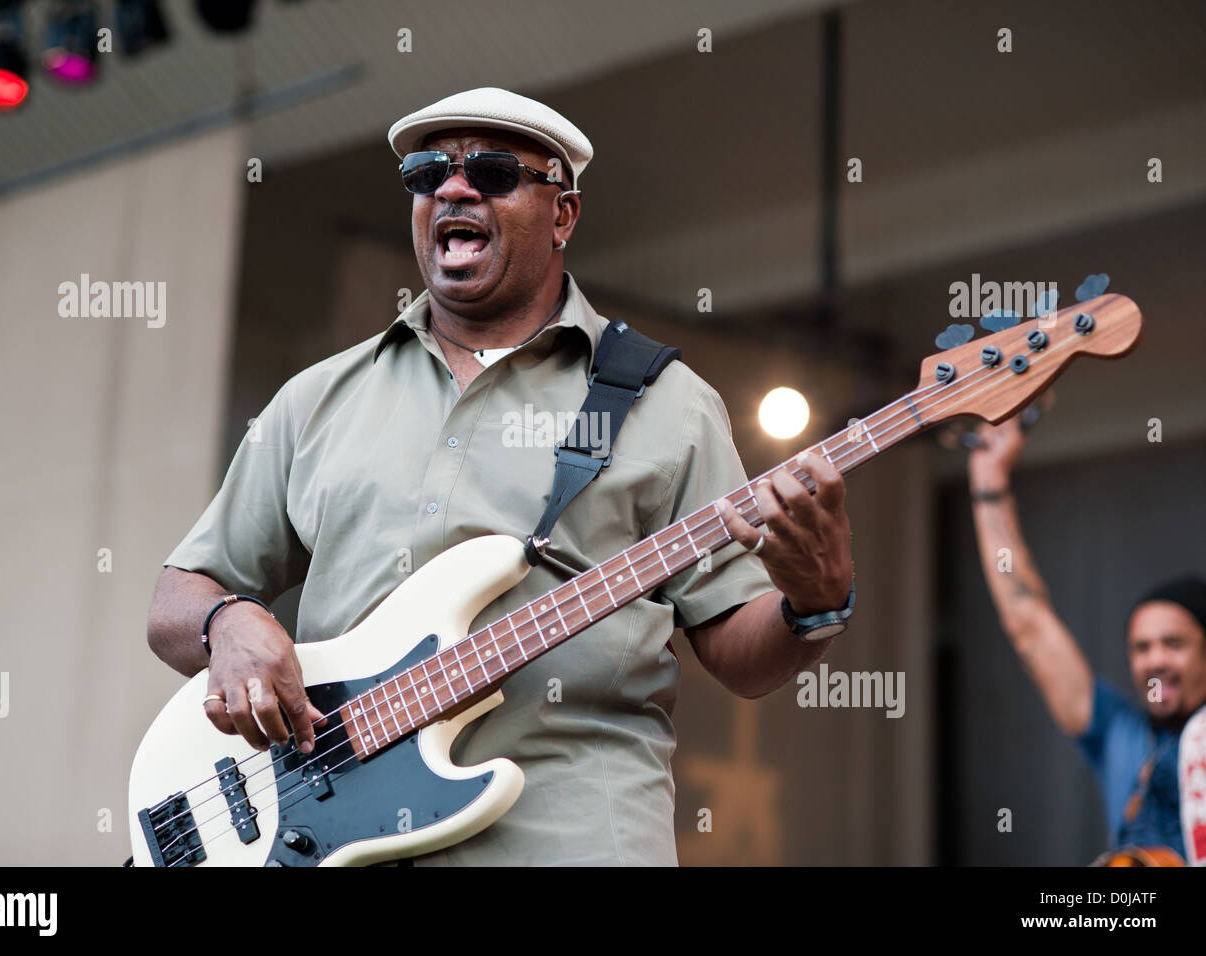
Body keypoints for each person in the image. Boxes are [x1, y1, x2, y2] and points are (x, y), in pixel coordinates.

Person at [146, 87, 856, 865]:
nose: (454, 188)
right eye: (428, 173)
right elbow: (179, 598)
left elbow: (740, 657)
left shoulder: (669, 406)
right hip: (320, 838)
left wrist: (812, 602)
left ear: (563, 215)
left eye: (492, 171)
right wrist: (228, 625)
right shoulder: (317, 398)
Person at [968, 413, 1206, 861]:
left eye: (1173, 644)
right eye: (1141, 647)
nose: (1154, 660)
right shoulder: (1119, 733)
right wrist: (989, 478)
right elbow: (1028, 622)